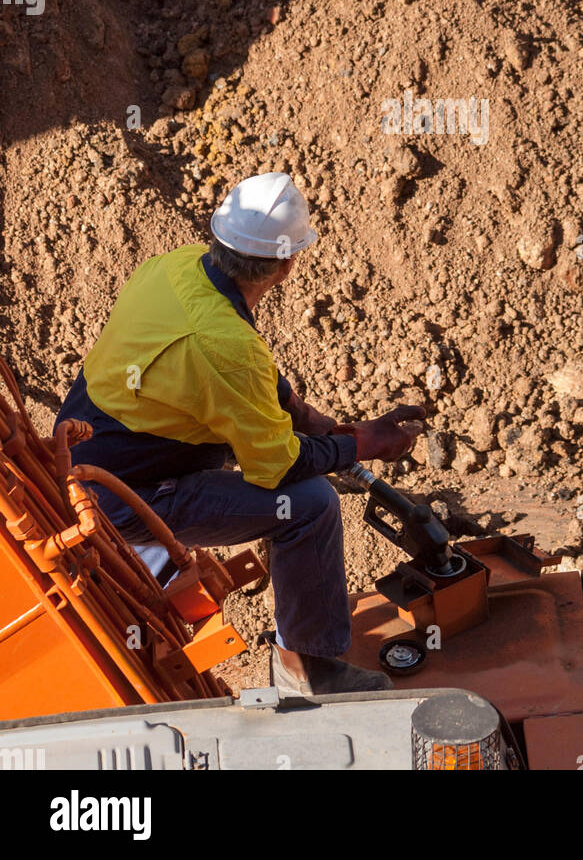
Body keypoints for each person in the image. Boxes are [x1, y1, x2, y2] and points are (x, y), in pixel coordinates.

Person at [53, 171, 425, 695]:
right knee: (310, 505)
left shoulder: (174, 266)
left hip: (79, 449)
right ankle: (308, 669)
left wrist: (307, 416)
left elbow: (246, 371)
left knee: (240, 436)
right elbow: (280, 466)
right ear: (288, 262)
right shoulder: (226, 346)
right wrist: (365, 444)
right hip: (120, 495)